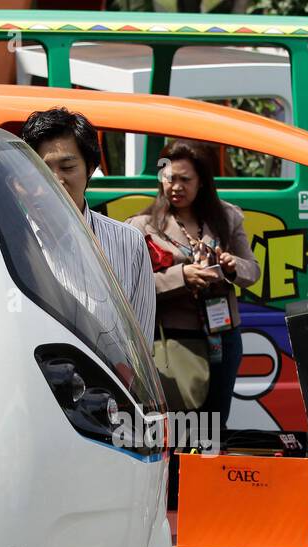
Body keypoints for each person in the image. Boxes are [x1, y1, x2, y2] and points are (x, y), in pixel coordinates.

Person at [0, 106, 155, 344]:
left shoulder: (128, 242)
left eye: (67, 167)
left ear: (90, 169)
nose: (55, 180)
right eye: (42, 170)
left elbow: (141, 342)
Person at [127, 139, 259, 429]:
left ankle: (205, 472)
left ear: (202, 183)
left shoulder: (227, 217)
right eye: (169, 178)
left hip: (223, 336)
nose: (176, 186)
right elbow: (131, 287)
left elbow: (253, 271)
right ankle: (175, 475)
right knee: (178, 428)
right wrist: (182, 277)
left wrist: (231, 267)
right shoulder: (142, 226)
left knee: (215, 425)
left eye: (185, 179)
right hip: (172, 339)